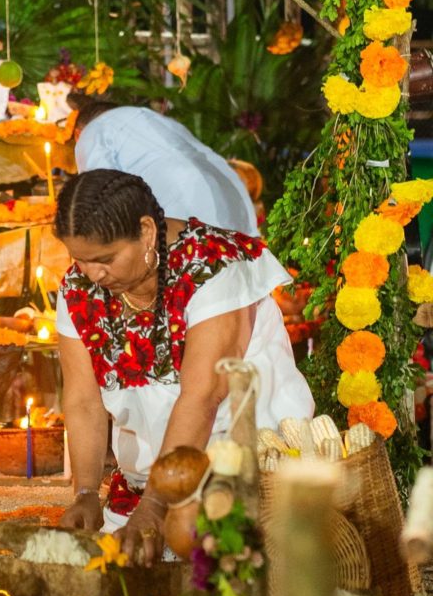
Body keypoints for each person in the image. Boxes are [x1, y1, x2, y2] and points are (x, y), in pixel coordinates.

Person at [54, 169, 313, 564]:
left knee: (197, 551)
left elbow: (203, 397)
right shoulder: (79, 286)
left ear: (145, 232)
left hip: (242, 468)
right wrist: (87, 491)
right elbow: (83, 400)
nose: (92, 274)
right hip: (148, 484)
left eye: (104, 259)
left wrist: (155, 509)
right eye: (80, 259)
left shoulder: (212, 266)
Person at [71, 95, 259, 235]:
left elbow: (96, 200)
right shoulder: (145, 119)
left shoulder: (93, 134)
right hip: (218, 193)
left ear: (79, 135)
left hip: (176, 210)